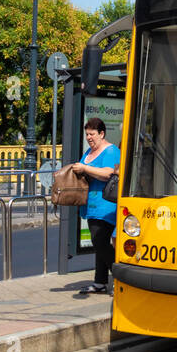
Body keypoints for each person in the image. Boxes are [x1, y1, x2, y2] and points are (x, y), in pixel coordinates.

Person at [74, 118, 119, 296]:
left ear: (102, 134)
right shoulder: (89, 152)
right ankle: (100, 282)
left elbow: (109, 173)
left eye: (92, 134)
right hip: (91, 204)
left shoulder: (110, 151)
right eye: (87, 134)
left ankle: (120, 276)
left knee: (99, 241)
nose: (89, 137)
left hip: (106, 205)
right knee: (99, 243)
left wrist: (85, 168)